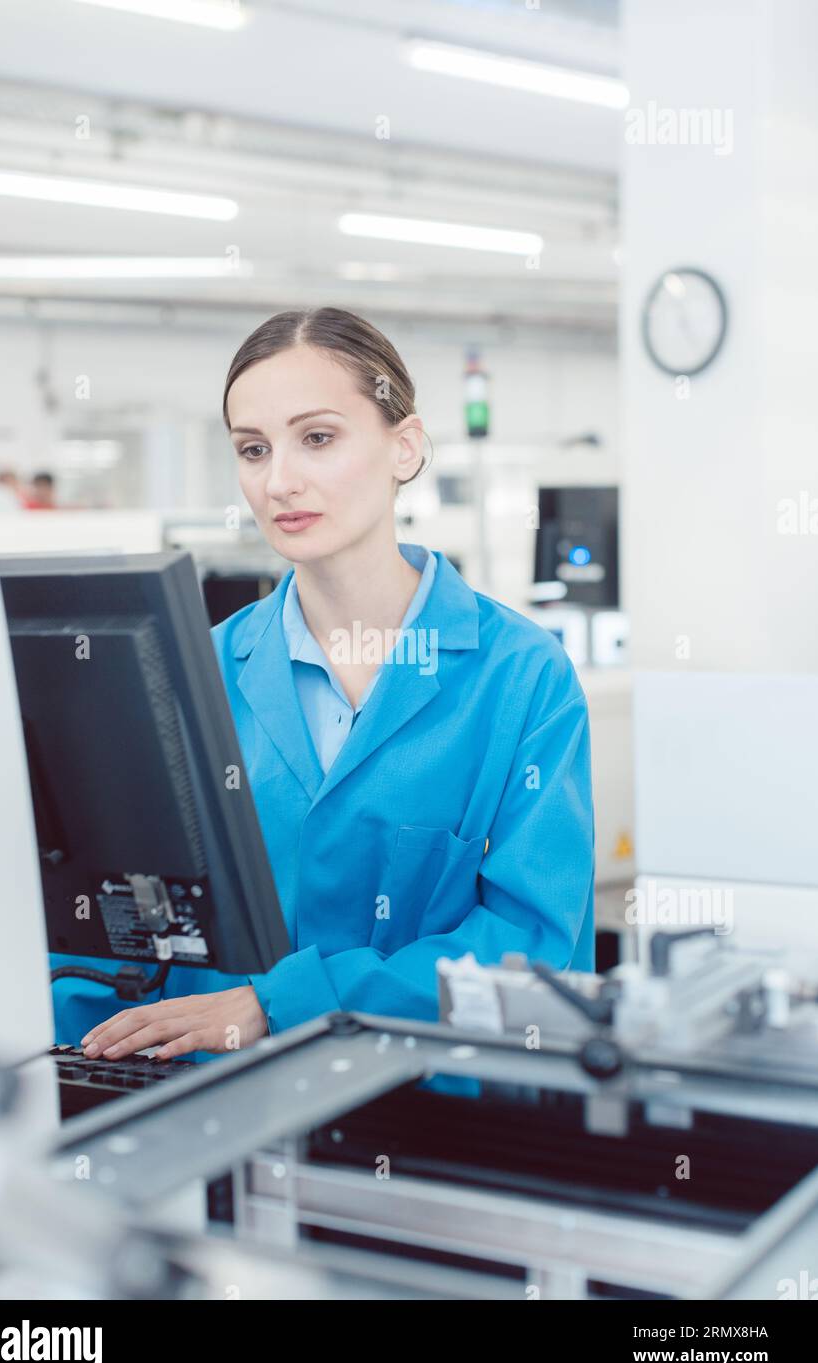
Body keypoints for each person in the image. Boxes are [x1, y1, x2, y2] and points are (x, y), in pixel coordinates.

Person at [76, 307, 594, 1063]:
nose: (279, 480)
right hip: (220, 1108)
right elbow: (124, 918)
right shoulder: (193, 675)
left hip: (429, 1112)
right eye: (253, 449)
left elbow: (532, 948)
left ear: (404, 448)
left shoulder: (520, 678)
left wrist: (281, 1003)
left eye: (317, 438)